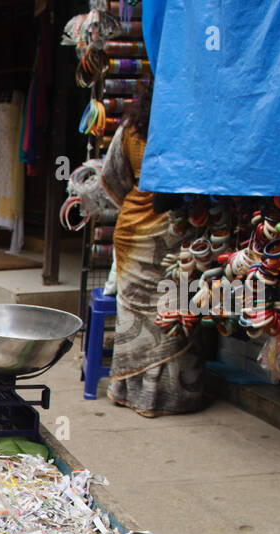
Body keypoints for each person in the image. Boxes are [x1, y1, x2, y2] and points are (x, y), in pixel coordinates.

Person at [99, 80, 204, 416]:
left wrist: (135, 204)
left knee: (134, 318)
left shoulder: (130, 129)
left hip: (131, 230)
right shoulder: (187, 128)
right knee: (170, 313)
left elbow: (112, 176)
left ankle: (127, 391)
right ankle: (166, 398)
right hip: (173, 232)